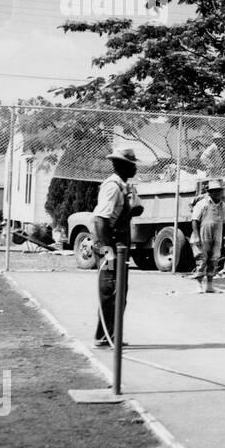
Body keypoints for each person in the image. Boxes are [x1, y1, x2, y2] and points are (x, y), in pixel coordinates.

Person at [91, 145, 144, 347]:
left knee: (119, 291)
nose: (135, 169)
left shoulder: (124, 186)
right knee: (112, 289)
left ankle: (108, 334)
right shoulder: (112, 186)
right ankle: (104, 336)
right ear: (122, 165)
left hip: (120, 246)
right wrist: (108, 252)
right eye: (132, 165)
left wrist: (132, 207)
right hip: (111, 247)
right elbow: (100, 220)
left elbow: (130, 212)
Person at [190, 178, 225, 293]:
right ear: (209, 192)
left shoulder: (223, 206)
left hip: (217, 236)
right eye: (214, 191)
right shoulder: (202, 204)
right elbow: (194, 220)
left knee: (214, 260)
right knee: (202, 259)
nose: (216, 193)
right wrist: (197, 236)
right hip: (203, 235)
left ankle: (210, 285)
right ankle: (199, 285)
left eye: (218, 191)